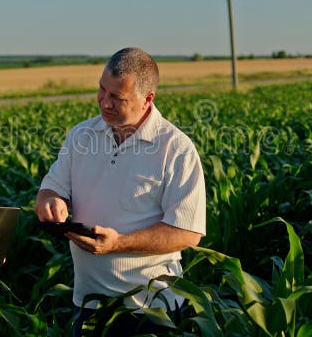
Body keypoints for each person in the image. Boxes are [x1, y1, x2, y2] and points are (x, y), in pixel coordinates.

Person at [35, 47, 206, 335]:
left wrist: (118, 243)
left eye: (118, 97)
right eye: (102, 89)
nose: (105, 102)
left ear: (147, 99)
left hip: (150, 310)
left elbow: (188, 233)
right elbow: (51, 189)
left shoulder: (176, 149)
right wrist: (51, 201)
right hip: (88, 305)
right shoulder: (82, 136)